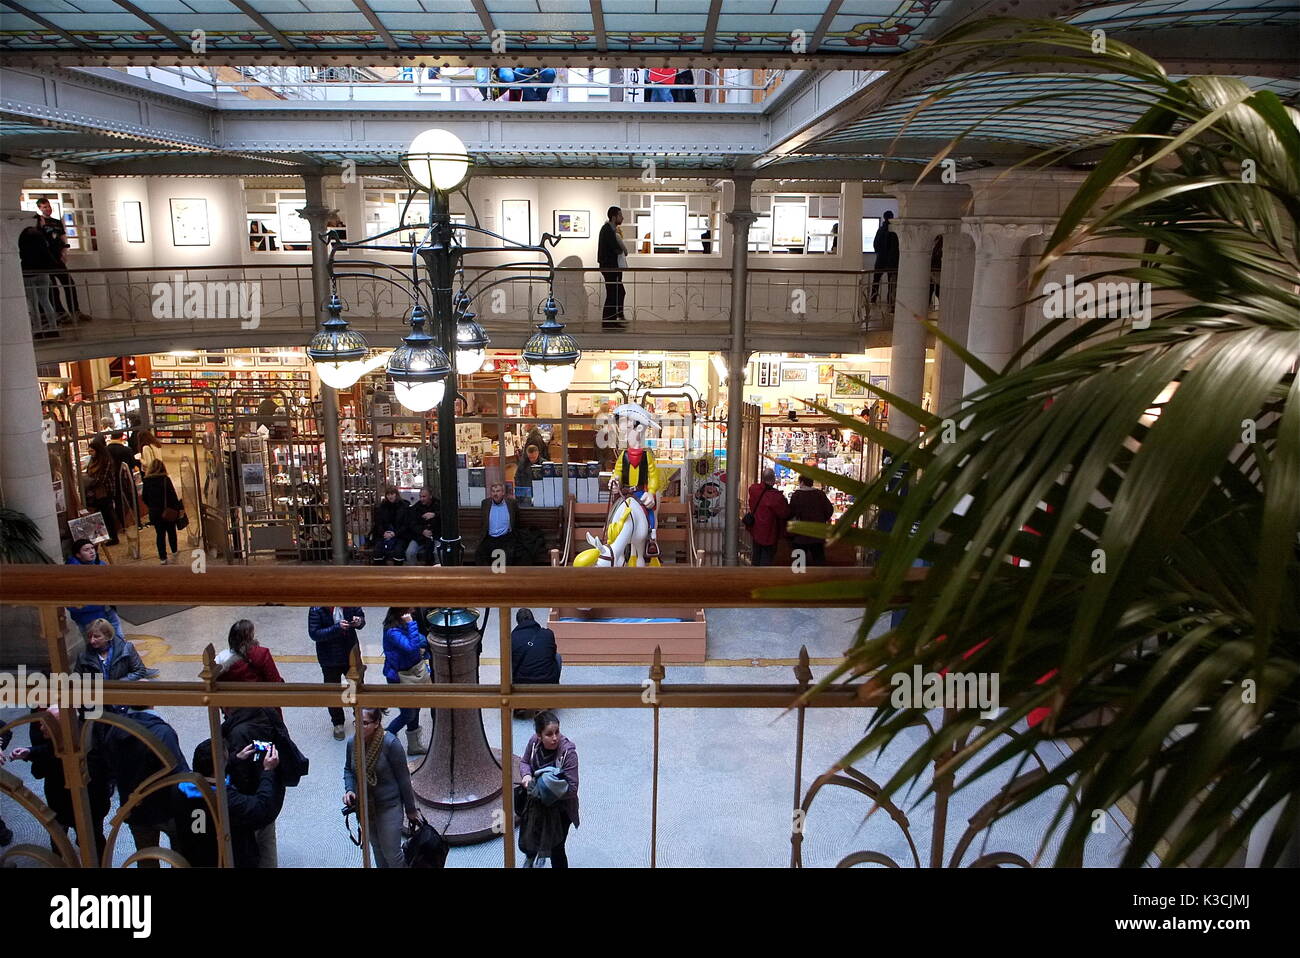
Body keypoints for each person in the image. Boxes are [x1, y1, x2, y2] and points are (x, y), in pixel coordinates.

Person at [6, 705, 111, 860]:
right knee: (59, 837)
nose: (40, 728)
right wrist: (30, 752)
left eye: (46, 725)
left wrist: (33, 753)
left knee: (92, 840)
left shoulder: (89, 750)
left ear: (63, 728)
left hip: (89, 806)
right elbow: (49, 752)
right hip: (61, 802)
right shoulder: (70, 740)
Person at [95, 706, 188, 867]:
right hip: (167, 805)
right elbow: (178, 770)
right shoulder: (161, 732)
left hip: (135, 805)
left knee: (146, 856)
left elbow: (108, 764)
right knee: (179, 854)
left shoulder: (115, 729)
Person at [220, 705, 310, 868]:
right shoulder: (267, 714)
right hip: (272, 794)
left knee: (251, 850)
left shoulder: (237, 733)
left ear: (226, 708)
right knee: (268, 843)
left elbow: (242, 780)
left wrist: (232, 762)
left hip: (251, 806)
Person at [173, 738, 281, 868]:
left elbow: (212, 776)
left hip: (193, 856)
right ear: (218, 767)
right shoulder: (227, 799)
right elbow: (261, 807)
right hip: (224, 859)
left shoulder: (179, 789)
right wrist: (268, 771)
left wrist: (233, 761)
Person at [343, 707, 421, 868]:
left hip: (389, 806)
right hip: (366, 807)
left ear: (377, 723)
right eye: (356, 722)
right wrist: (350, 789)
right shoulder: (353, 743)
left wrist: (411, 809)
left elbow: (403, 779)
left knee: (393, 855)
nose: (359, 727)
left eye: (364, 723)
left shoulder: (390, 744)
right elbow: (349, 770)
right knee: (378, 851)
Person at [518, 710, 580, 868]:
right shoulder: (534, 743)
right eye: (549, 734)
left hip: (560, 810)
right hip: (535, 806)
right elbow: (525, 762)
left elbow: (572, 788)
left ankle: (546, 855)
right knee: (531, 835)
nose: (555, 738)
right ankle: (531, 857)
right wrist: (526, 776)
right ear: (539, 735)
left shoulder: (568, 753)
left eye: (557, 732)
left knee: (557, 848)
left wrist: (545, 788)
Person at [308, 605, 366, 739]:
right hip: (329, 657)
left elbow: (361, 619)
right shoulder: (316, 609)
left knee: (356, 686)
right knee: (332, 690)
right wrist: (336, 628)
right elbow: (315, 633)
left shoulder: (350, 601)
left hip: (351, 653)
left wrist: (359, 621)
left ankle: (359, 716)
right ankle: (338, 722)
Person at [381, 607, 430, 756]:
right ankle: (384, 737)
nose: (414, 611)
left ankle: (414, 745)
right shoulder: (392, 632)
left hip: (411, 673)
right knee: (408, 714)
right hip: (400, 677)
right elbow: (411, 647)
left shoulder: (402, 625)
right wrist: (411, 624)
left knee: (415, 709)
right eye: (410, 608)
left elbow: (422, 640)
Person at [73, 617, 150, 697]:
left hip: (122, 695)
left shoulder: (126, 648)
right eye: (89, 637)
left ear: (107, 636)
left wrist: (118, 684)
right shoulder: (83, 656)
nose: (92, 641)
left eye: (97, 636)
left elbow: (140, 671)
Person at [65, 541, 124, 642]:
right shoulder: (71, 573)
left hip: (108, 610)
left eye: (92, 548)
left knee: (120, 640)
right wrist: (97, 603)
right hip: (90, 618)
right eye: (86, 550)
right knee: (98, 646)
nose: (91, 552)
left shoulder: (101, 564)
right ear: (78, 554)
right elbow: (71, 603)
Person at [36, 196, 79, 320]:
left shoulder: (56, 221)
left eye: (48, 206)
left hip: (58, 258)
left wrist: (65, 250)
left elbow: (62, 236)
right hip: (46, 260)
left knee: (69, 283)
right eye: (44, 207)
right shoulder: (38, 222)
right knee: (53, 288)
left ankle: (75, 311)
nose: (47, 209)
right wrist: (42, 226)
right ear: (39, 208)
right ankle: (60, 313)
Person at [18, 216, 59, 336]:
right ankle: (53, 327)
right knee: (45, 300)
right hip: (42, 272)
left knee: (33, 303)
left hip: (28, 273)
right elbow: (47, 252)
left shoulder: (22, 236)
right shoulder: (40, 236)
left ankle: (38, 329)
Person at [215, 619, 285, 687]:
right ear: (251, 636)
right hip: (257, 696)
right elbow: (275, 681)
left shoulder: (221, 657)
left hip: (230, 697)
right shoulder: (261, 653)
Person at [141, 459, 182, 564]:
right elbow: (172, 495)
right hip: (167, 510)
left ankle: (162, 557)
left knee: (160, 534)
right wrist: (177, 509)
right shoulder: (165, 479)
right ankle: (174, 550)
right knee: (171, 531)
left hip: (154, 512)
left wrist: (151, 506)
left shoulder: (146, 480)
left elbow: (144, 497)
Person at [746, 467, 790, 567]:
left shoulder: (754, 489)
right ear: (774, 480)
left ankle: (754, 576)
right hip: (770, 530)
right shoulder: (775, 497)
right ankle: (763, 578)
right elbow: (784, 513)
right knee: (766, 557)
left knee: (756, 555)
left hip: (755, 528)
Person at [788, 475, 834, 566]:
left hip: (800, 535)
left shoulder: (796, 495)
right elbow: (829, 510)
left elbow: (791, 513)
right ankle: (819, 579)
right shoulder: (820, 494)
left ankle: (799, 579)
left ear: (802, 482)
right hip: (817, 534)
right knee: (818, 561)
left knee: (799, 565)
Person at [475, 481, 523, 566]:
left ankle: (502, 577)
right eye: (493, 491)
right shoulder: (485, 503)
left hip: (505, 538)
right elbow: (483, 522)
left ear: (503, 493)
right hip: (490, 538)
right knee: (480, 555)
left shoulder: (512, 504)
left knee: (507, 558)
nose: (495, 494)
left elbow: (517, 520)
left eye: (498, 491)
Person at [511, 608, 560, 687]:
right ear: (533, 619)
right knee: (557, 656)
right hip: (549, 679)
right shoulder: (548, 633)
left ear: (518, 622)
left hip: (521, 681)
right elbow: (552, 653)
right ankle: (556, 685)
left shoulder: (512, 637)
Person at [597, 205, 628, 328]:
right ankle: (610, 321)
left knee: (616, 292)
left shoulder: (609, 230)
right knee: (613, 293)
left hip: (611, 267)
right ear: (614, 217)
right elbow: (616, 249)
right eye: (620, 215)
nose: (622, 217)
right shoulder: (607, 230)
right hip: (610, 267)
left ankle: (612, 319)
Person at [369, 485, 410, 565]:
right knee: (378, 551)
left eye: (392, 494)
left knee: (398, 551)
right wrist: (384, 533)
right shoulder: (382, 507)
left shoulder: (404, 506)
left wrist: (394, 533)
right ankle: (381, 573)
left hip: (400, 535)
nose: (390, 496)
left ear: (396, 494)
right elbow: (378, 523)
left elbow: (406, 524)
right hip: (384, 535)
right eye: (388, 494)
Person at [405, 487, 441, 566]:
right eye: (420, 496)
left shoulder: (439, 505)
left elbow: (446, 516)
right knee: (410, 552)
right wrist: (422, 531)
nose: (421, 499)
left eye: (424, 497)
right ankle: (414, 574)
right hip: (420, 536)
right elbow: (412, 524)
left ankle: (438, 573)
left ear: (430, 496)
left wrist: (434, 515)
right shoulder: (416, 508)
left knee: (438, 552)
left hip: (436, 535)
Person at [870, 210, 899, 304]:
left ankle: (872, 300)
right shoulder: (895, 231)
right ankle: (890, 302)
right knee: (892, 283)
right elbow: (896, 246)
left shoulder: (881, 230)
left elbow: (875, 244)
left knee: (876, 280)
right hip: (892, 261)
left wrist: (880, 253)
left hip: (881, 259)